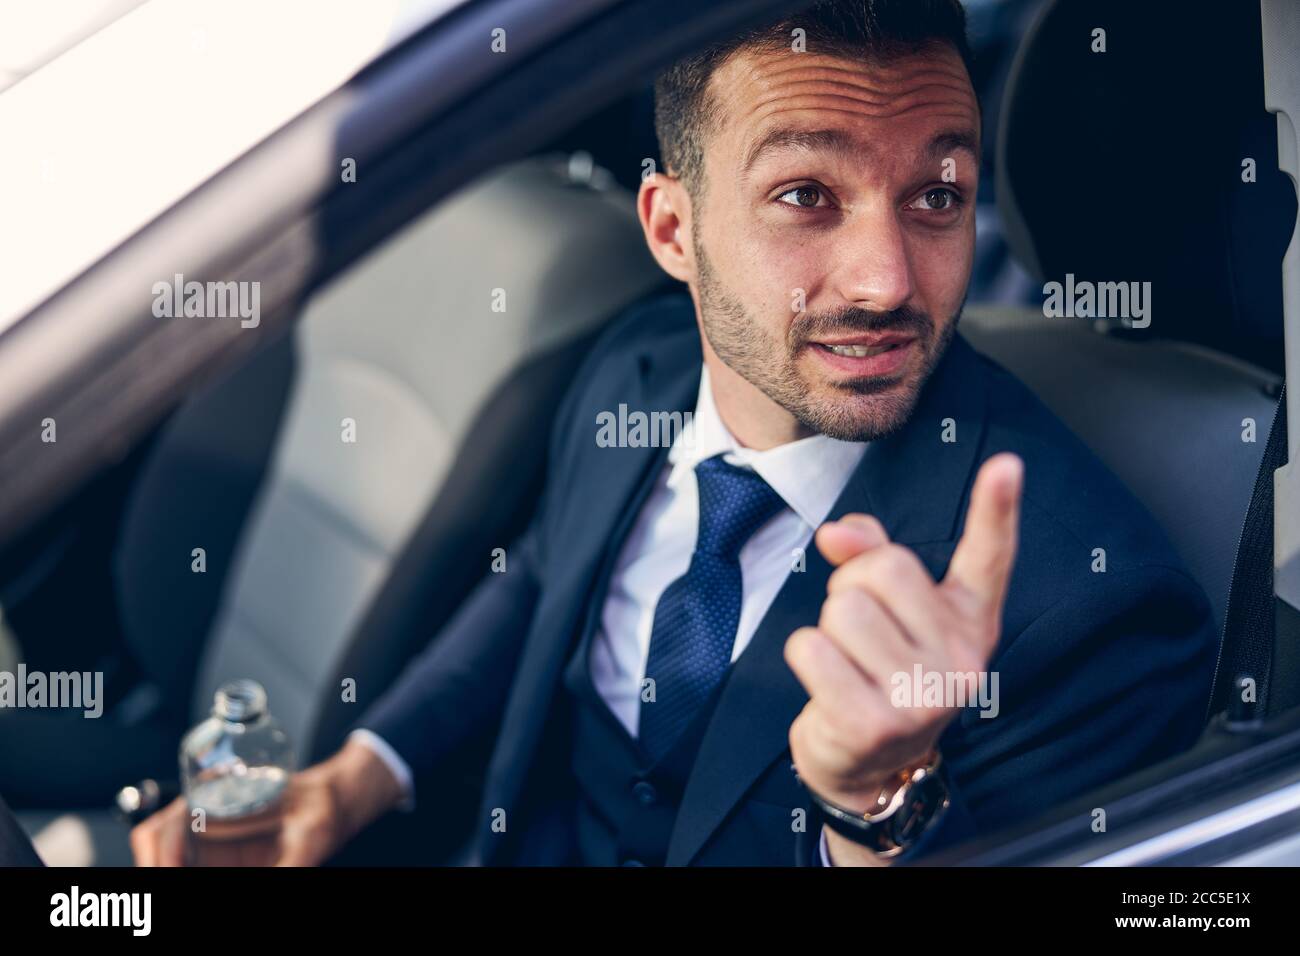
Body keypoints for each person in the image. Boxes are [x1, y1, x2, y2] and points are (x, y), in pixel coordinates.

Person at [133, 0, 1216, 867]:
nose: (888, 280)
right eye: (805, 192)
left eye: (936, 195)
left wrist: (874, 802)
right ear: (671, 228)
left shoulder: (1094, 608)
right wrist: (355, 778)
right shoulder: (629, 373)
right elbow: (537, 588)